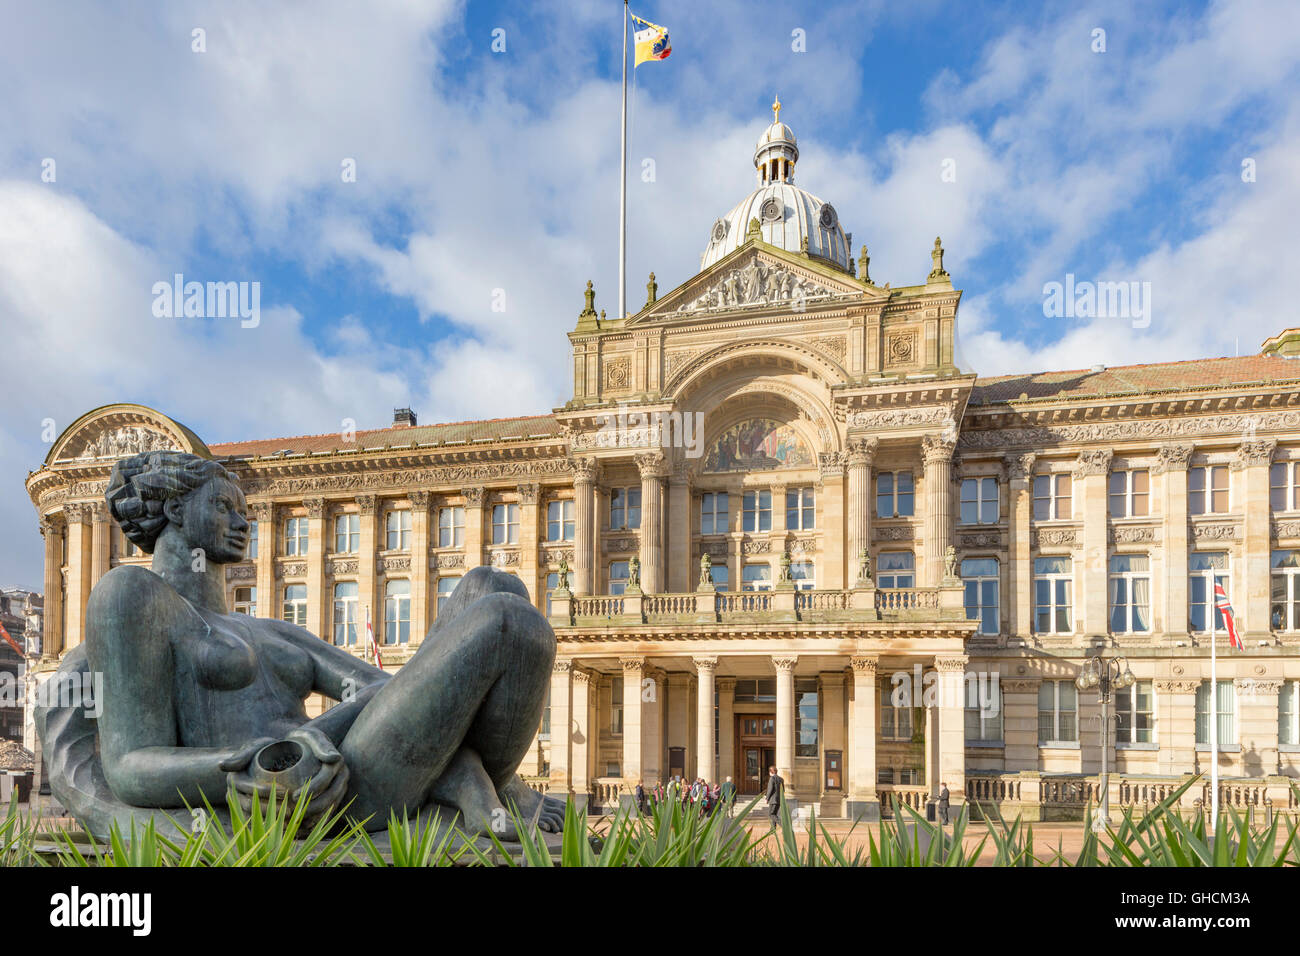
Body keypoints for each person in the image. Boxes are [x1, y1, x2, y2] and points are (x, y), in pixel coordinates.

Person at [36, 450, 563, 842]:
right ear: (174, 510)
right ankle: (475, 783)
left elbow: (384, 689)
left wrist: (325, 730)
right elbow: (129, 766)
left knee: (495, 587)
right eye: (224, 507)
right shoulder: (132, 597)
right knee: (507, 622)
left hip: (346, 755)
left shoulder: (272, 629)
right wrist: (241, 769)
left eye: (245, 512)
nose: (245, 523)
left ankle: (474, 779)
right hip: (312, 795)